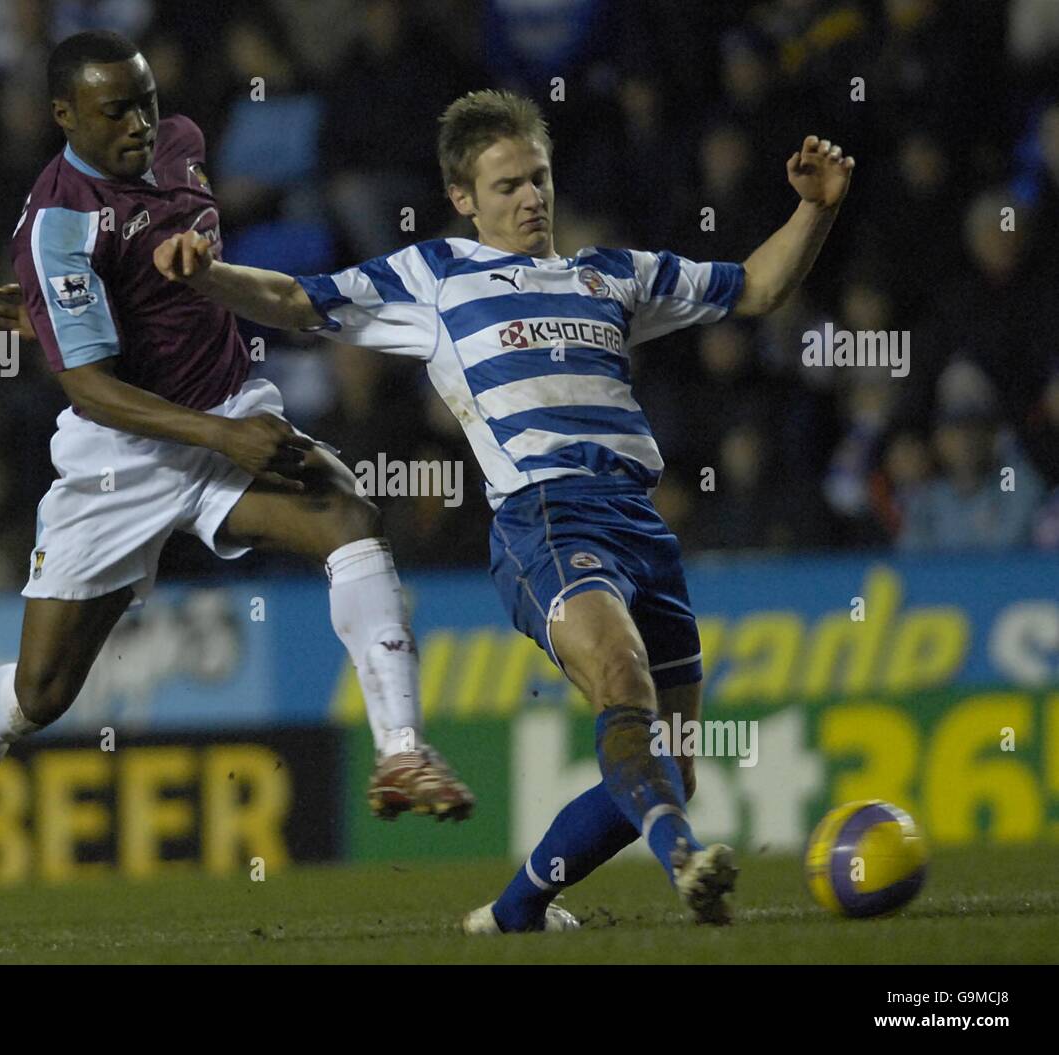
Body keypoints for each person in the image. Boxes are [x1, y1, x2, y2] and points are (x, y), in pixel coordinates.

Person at [153, 89, 855, 929]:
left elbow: (758, 290)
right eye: (508, 186)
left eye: (539, 178)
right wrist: (210, 278)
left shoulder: (615, 275)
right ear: (462, 199)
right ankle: (685, 859)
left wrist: (812, 211)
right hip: (547, 519)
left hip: (641, 526)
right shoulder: (434, 278)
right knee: (621, 678)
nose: (531, 199)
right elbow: (301, 299)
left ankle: (517, 910)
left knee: (670, 763)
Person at [0, 30, 475, 849]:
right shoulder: (57, 227)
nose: (140, 124)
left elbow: (159, 288)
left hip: (227, 405)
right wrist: (67, 328)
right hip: (119, 457)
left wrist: (92, 322)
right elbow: (91, 387)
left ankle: (402, 751)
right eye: (114, 111)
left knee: (348, 518)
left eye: (144, 101)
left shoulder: (183, 141)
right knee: (45, 690)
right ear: (63, 115)